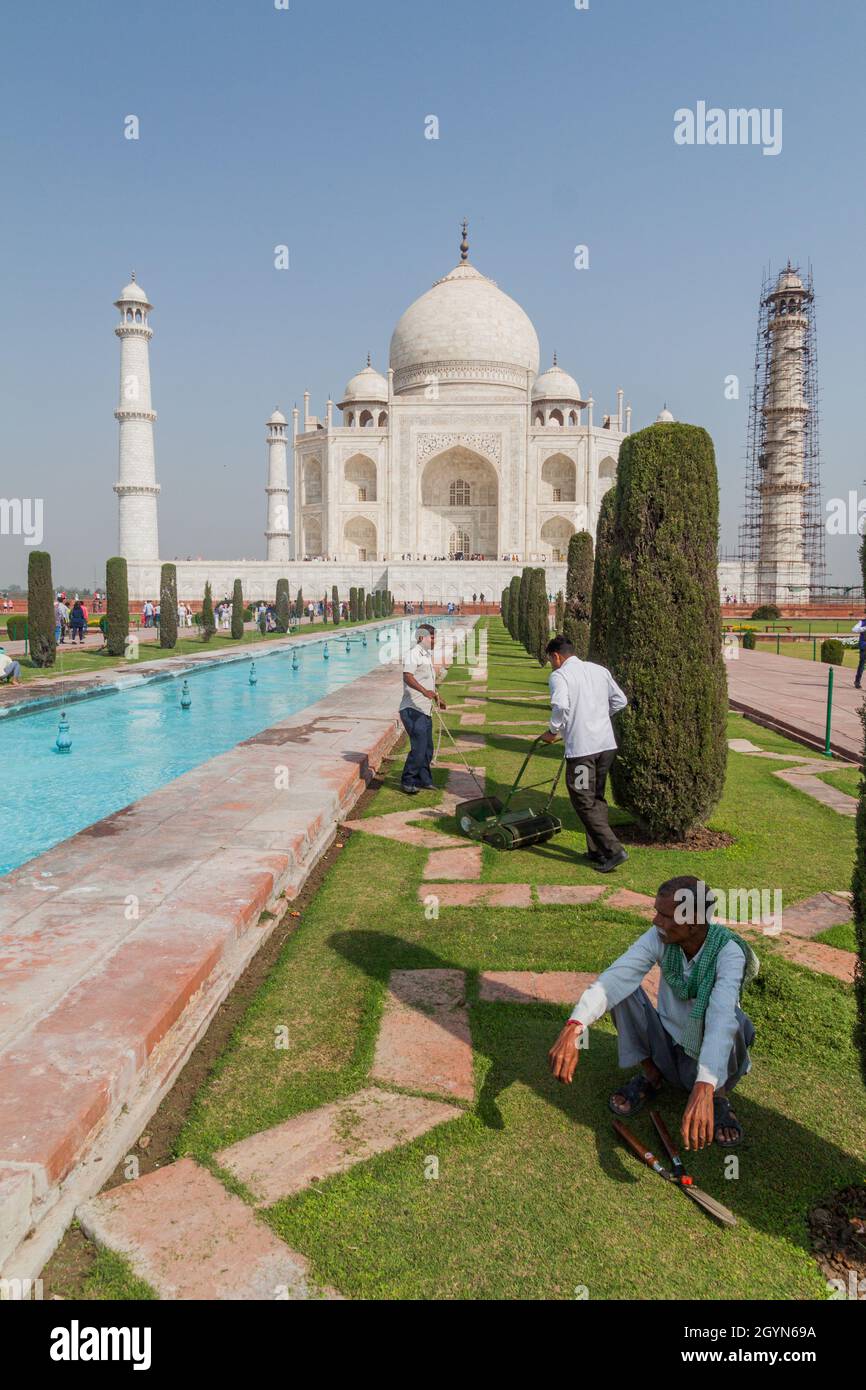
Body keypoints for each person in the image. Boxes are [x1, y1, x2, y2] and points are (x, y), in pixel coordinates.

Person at [548, 875, 758, 1150]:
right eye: (657, 912)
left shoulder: (729, 953)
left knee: (735, 1021)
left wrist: (705, 1085)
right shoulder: (659, 937)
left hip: (708, 1058)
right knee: (622, 990)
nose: (655, 921)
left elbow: (720, 1020)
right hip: (668, 1045)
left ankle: (716, 1097)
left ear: (693, 922)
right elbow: (614, 978)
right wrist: (574, 1025)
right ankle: (652, 1075)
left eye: (665, 915)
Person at [541, 633, 628, 873]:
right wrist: (597, 716)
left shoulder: (560, 676)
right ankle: (597, 850)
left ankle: (613, 850)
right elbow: (620, 701)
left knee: (582, 798)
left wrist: (552, 731)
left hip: (582, 750)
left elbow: (560, 706)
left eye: (550, 659)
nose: (551, 663)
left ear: (556, 656)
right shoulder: (599, 670)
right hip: (606, 745)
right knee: (596, 797)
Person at [399, 622, 446, 794]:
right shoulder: (414, 654)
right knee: (418, 748)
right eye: (432, 637)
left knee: (427, 749)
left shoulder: (426, 655)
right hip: (412, 709)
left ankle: (424, 780)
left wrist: (437, 698)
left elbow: (428, 682)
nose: (434, 640)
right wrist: (424, 691)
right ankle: (407, 780)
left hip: (425, 709)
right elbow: (407, 676)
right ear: (421, 637)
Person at [852, 614, 866, 688]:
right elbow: (854, 629)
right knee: (862, 664)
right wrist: (863, 628)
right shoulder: (862, 622)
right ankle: (857, 681)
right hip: (864, 646)